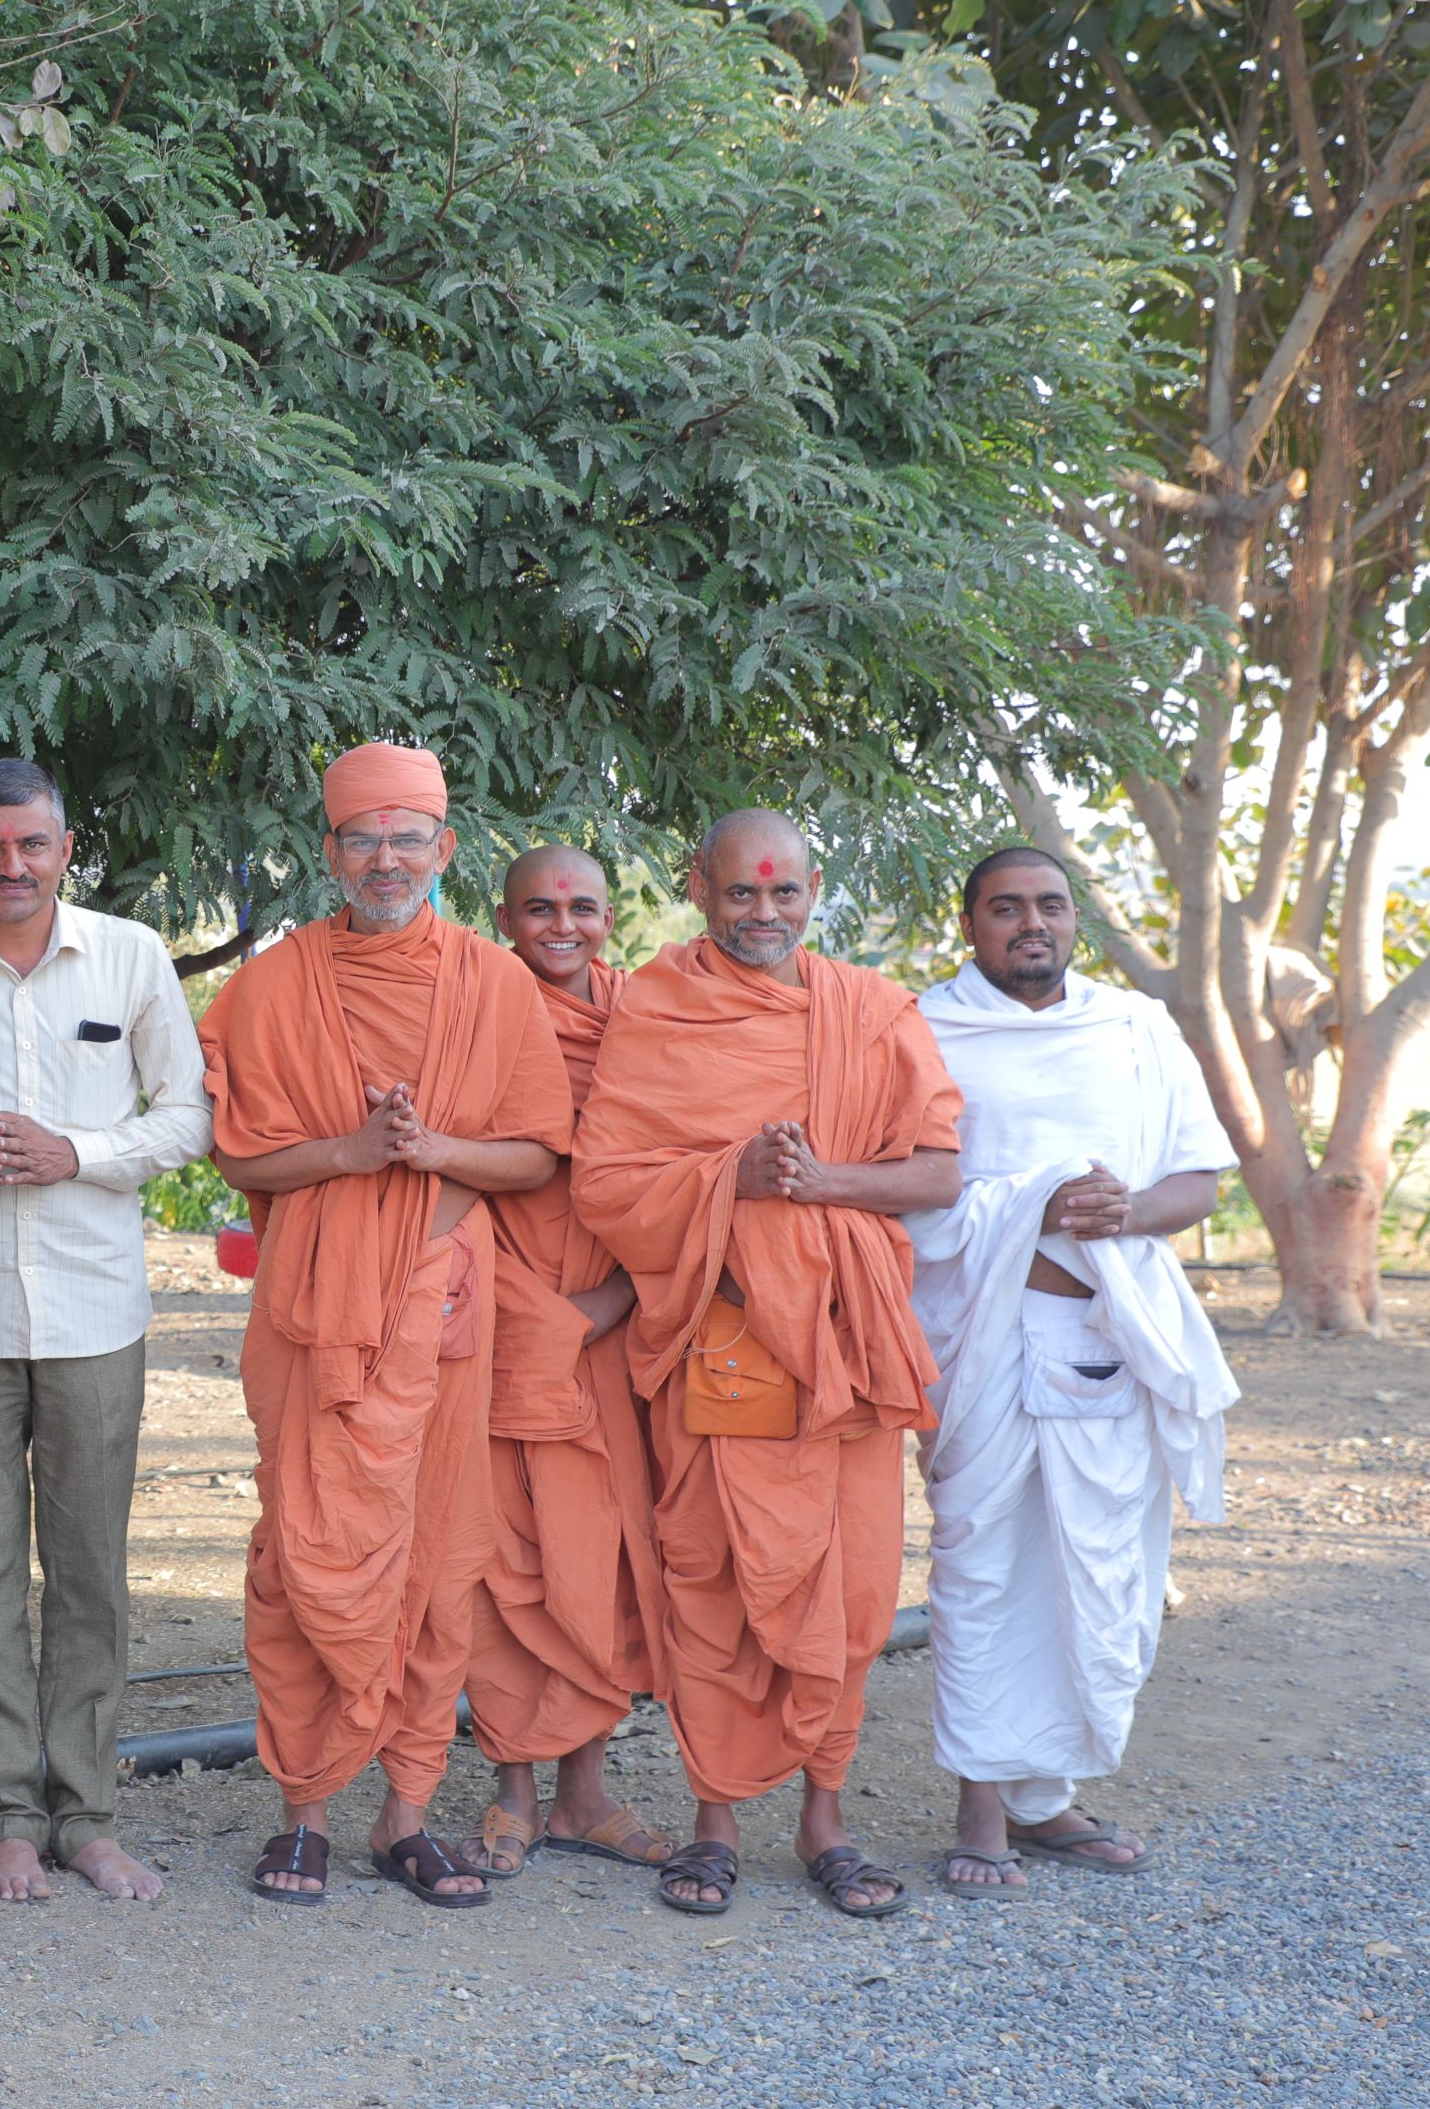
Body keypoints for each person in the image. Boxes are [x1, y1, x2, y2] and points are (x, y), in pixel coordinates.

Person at [194, 743, 569, 1910]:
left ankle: (406, 1811)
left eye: (409, 838)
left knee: (438, 1554)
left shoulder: (495, 983)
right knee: (303, 1545)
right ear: (331, 852)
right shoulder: (274, 986)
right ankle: (303, 1810)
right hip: (315, 1312)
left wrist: (432, 1152)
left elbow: (537, 1151)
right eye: (365, 839)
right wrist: (357, 1152)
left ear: (444, 849)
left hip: (443, 1300)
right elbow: (240, 1155)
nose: (387, 859)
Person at [571, 809, 962, 1923]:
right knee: (714, 1581)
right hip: (722, 1342)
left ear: (814, 889)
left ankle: (824, 1819)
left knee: (850, 1589)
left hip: (843, 1346)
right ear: (699, 887)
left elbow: (936, 1174)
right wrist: (728, 1178)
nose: (762, 912)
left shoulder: (874, 1011)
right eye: (740, 891)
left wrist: (818, 1181)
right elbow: (605, 1182)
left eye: (783, 891)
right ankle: (716, 1822)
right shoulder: (656, 1009)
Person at [0, 758, 214, 1905]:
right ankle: (10, 1818)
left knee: (89, 1572)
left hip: (94, 1306)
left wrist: (82, 1151)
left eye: (32, 844)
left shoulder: (130, 954)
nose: (10, 865)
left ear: (67, 849)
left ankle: (88, 1814)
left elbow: (188, 1116)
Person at [906, 847, 1236, 1897]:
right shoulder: (921, 1028)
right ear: (969, 923)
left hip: (1111, 1338)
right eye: (1006, 907)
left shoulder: (1135, 1027)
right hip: (982, 1342)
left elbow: (1197, 1180)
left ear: (1074, 917)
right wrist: (1031, 1203)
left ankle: (1042, 1796)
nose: (1031, 923)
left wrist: (1125, 1209)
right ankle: (980, 1804)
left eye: (1049, 905)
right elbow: (903, 1189)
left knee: (1099, 1565)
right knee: (984, 1566)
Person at [459, 845, 678, 1881]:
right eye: (539, 908)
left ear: (609, 916)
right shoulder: (473, 1007)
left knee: (611, 1560)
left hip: (620, 1323)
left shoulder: (647, 1018)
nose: (562, 925)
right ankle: (512, 1788)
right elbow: (453, 1172)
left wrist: (614, 1300)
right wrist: (535, 1312)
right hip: (501, 1315)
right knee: (504, 1562)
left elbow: (683, 1166)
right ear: (504, 917)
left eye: (582, 907)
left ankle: (585, 1792)